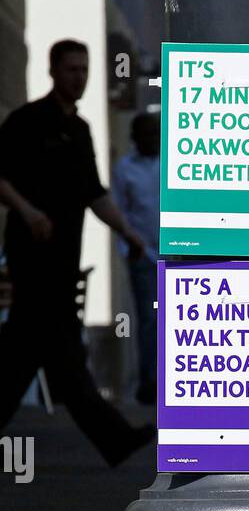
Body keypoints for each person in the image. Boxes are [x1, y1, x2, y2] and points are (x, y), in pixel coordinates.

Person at [0, 39, 154, 465]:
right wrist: (29, 212)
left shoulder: (82, 130)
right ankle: (115, 438)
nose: (80, 77)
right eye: (72, 69)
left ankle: (115, 439)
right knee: (50, 351)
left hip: (65, 261)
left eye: (85, 69)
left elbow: (95, 195)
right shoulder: (26, 122)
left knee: (34, 354)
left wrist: (130, 233)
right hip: (32, 258)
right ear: (53, 72)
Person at [112, 112, 160, 406]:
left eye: (157, 134)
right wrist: (126, 249)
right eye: (147, 135)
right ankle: (149, 382)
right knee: (148, 320)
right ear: (135, 138)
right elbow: (119, 210)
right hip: (143, 255)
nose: (153, 139)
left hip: (176, 254)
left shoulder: (173, 163)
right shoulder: (124, 169)